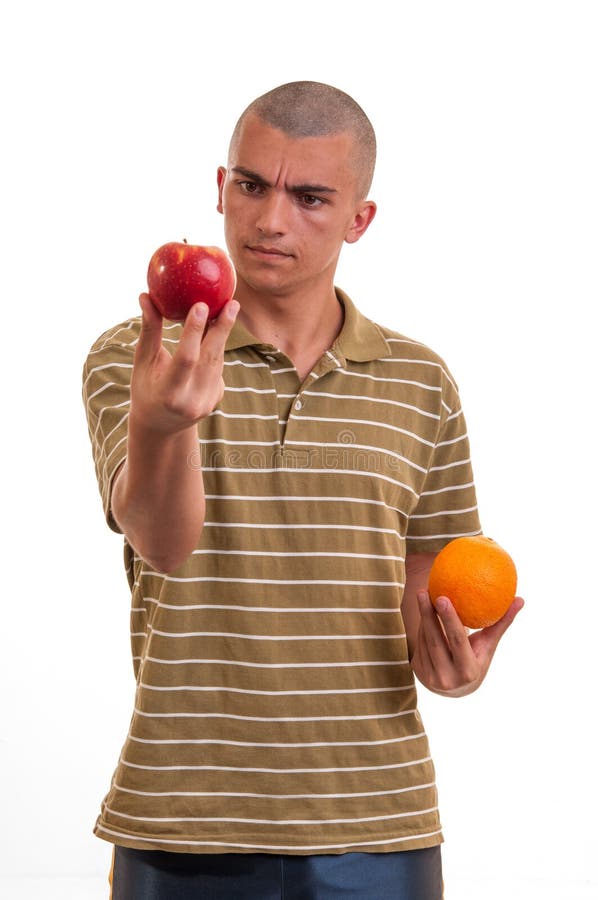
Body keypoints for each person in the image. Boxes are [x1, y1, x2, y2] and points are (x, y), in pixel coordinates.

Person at [83, 81, 523, 900]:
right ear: (221, 187)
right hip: (182, 821)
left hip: (380, 825)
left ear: (359, 219)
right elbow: (162, 540)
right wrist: (167, 425)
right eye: (252, 185)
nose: (270, 220)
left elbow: (431, 604)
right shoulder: (137, 355)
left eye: (310, 197)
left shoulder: (421, 382)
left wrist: (457, 669)